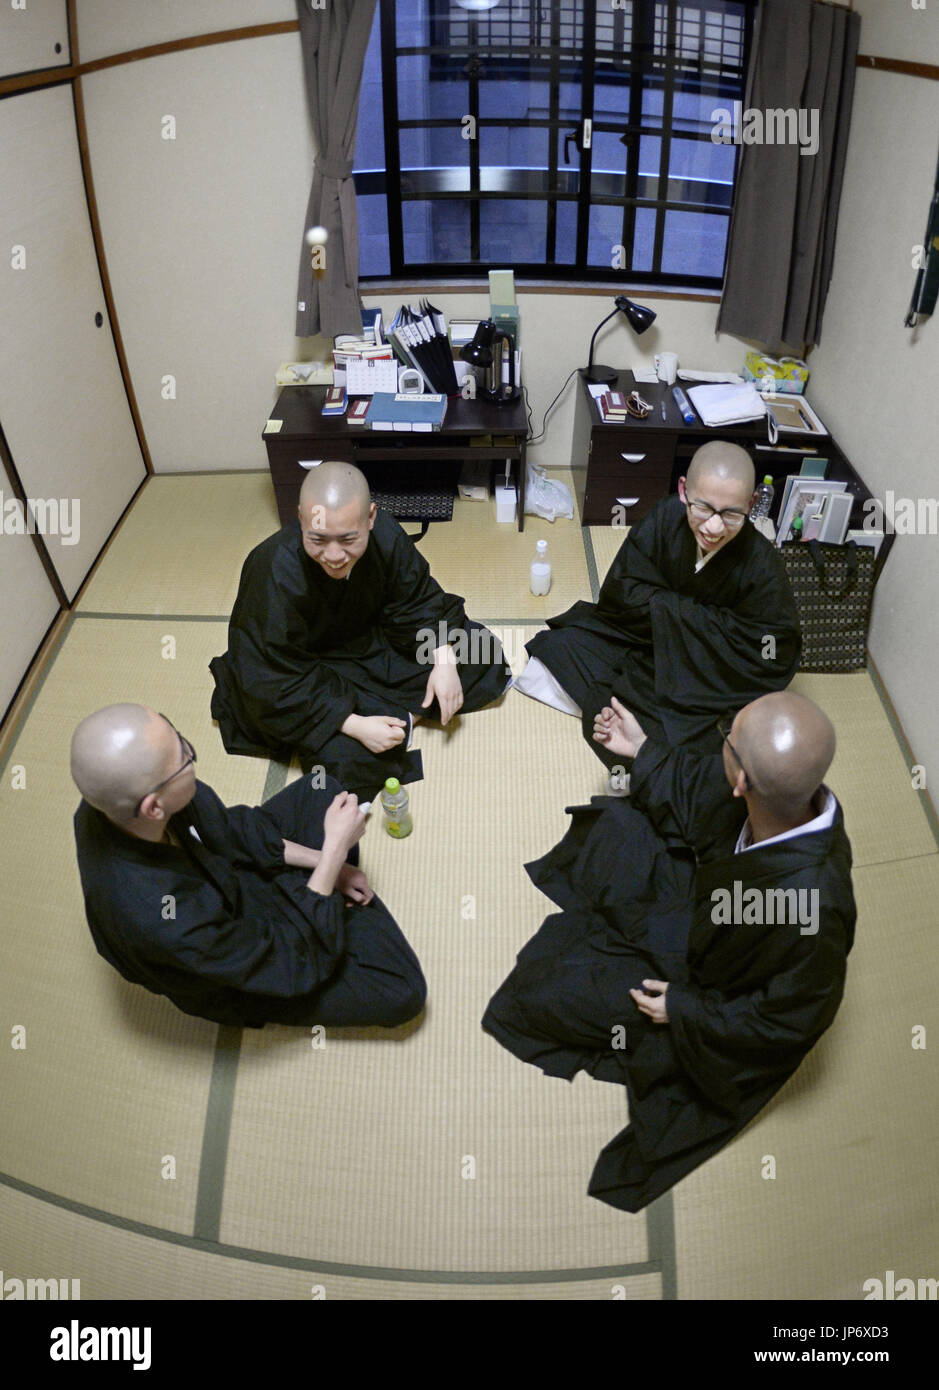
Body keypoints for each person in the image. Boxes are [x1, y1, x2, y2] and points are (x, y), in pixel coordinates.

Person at [481, 690, 856, 1213]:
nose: (723, 738)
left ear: (744, 782)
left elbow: (788, 1021)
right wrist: (643, 751)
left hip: (712, 992)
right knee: (615, 826)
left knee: (538, 994)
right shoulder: (787, 798)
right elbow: (701, 787)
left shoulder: (813, 908)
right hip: (707, 912)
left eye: (728, 738)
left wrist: (684, 1009)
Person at [71, 704, 426, 1029]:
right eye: (183, 757)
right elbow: (291, 963)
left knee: (322, 792)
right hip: (234, 958)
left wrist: (325, 864)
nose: (190, 756)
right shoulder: (162, 919)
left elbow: (228, 830)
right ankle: (319, 913)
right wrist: (334, 854)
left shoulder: (116, 803)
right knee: (401, 990)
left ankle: (315, 904)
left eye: (178, 738)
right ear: (153, 808)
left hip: (223, 876)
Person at [210, 462, 510, 797]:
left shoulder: (385, 534)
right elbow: (267, 675)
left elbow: (417, 599)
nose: (333, 555)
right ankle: (392, 717)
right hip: (311, 671)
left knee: (480, 652)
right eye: (318, 539)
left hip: (374, 641)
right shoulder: (272, 568)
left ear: (370, 518)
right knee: (341, 761)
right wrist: (353, 724)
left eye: (348, 539)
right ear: (301, 518)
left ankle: (399, 715)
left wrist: (443, 659)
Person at [514, 441, 802, 769]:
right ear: (683, 491)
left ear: (751, 504)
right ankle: (632, 721)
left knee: (705, 748)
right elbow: (621, 591)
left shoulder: (762, 564)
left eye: (731, 514)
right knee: (558, 647)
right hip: (643, 641)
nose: (714, 527)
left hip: (705, 680)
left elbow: (773, 652)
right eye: (703, 508)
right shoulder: (665, 517)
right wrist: (681, 620)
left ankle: (638, 733)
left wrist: (676, 618)